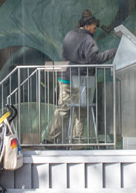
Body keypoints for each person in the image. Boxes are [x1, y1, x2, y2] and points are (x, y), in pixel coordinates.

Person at [43, 10, 115, 144]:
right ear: (87, 26)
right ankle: (76, 141)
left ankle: (50, 139)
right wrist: (111, 53)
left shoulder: (69, 35)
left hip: (65, 78)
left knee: (63, 109)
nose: (94, 30)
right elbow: (94, 60)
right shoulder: (88, 40)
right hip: (81, 80)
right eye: (93, 28)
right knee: (80, 111)